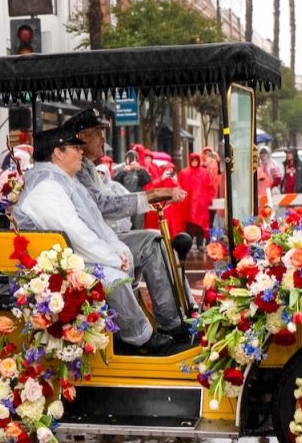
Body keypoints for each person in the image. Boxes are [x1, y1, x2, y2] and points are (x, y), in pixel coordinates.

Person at [12, 128, 179, 356]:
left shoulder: (64, 179)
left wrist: (116, 249)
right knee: (112, 277)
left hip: (71, 255)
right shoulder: (46, 184)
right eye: (75, 148)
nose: (81, 152)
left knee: (133, 254)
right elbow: (75, 232)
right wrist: (110, 257)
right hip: (54, 264)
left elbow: (96, 223)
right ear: (58, 153)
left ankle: (166, 322)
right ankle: (139, 338)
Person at [62, 109, 189, 337]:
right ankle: (170, 322)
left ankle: (177, 314)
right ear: (82, 138)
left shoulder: (88, 168)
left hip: (102, 237)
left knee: (154, 239)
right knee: (152, 242)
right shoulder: (78, 171)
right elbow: (103, 205)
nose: (103, 140)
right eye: (98, 133)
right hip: (88, 245)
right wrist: (150, 195)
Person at [177, 153, 213, 246]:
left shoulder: (204, 172)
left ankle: (199, 243)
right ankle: (188, 243)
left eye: (196, 160)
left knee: (200, 225)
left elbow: (210, 187)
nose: (194, 162)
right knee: (189, 225)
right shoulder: (184, 173)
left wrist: (209, 199)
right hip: (188, 203)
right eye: (193, 160)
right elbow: (179, 186)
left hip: (201, 204)